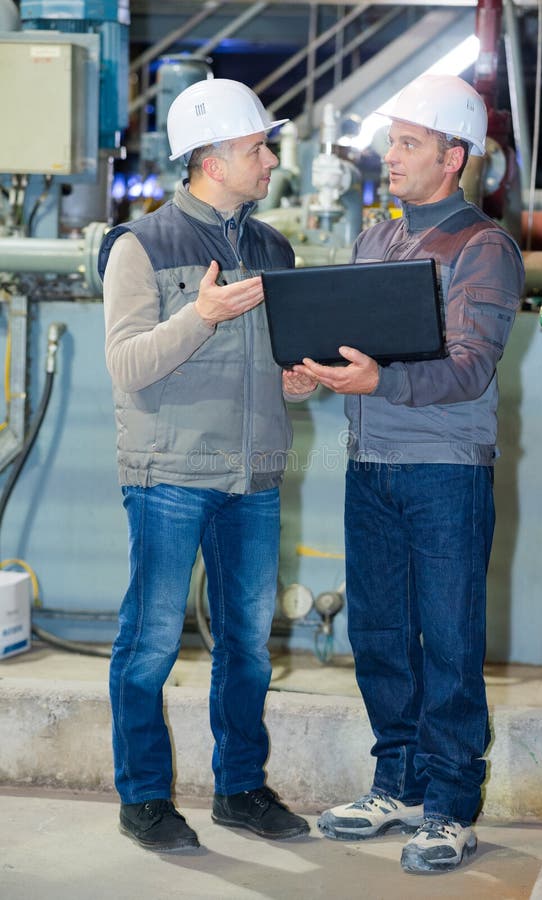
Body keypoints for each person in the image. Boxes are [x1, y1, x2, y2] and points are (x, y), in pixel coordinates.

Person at [289, 74, 525, 874]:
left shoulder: (483, 248)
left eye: (409, 144)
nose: (390, 156)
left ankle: (452, 805)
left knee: (451, 640)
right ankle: (398, 784)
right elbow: (357, 351)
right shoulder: (375, 241)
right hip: (371, 465)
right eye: (391, 142)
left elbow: (470, 367)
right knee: (380, 634)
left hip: (445, 473)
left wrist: (378, 381)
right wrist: (314, 371)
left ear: (453, 157)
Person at [98, 78, 317, 853]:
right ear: (214, 161)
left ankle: (240, 789)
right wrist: (201, 314)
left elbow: (270, 360)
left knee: (249, 646)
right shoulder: (141, 246)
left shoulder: (273, 249)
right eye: (259, 147)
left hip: (252, 477)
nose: (271, 160)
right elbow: (128, 365)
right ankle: (144, 798)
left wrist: (292, 379)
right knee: (151, 643)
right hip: (170, 475)